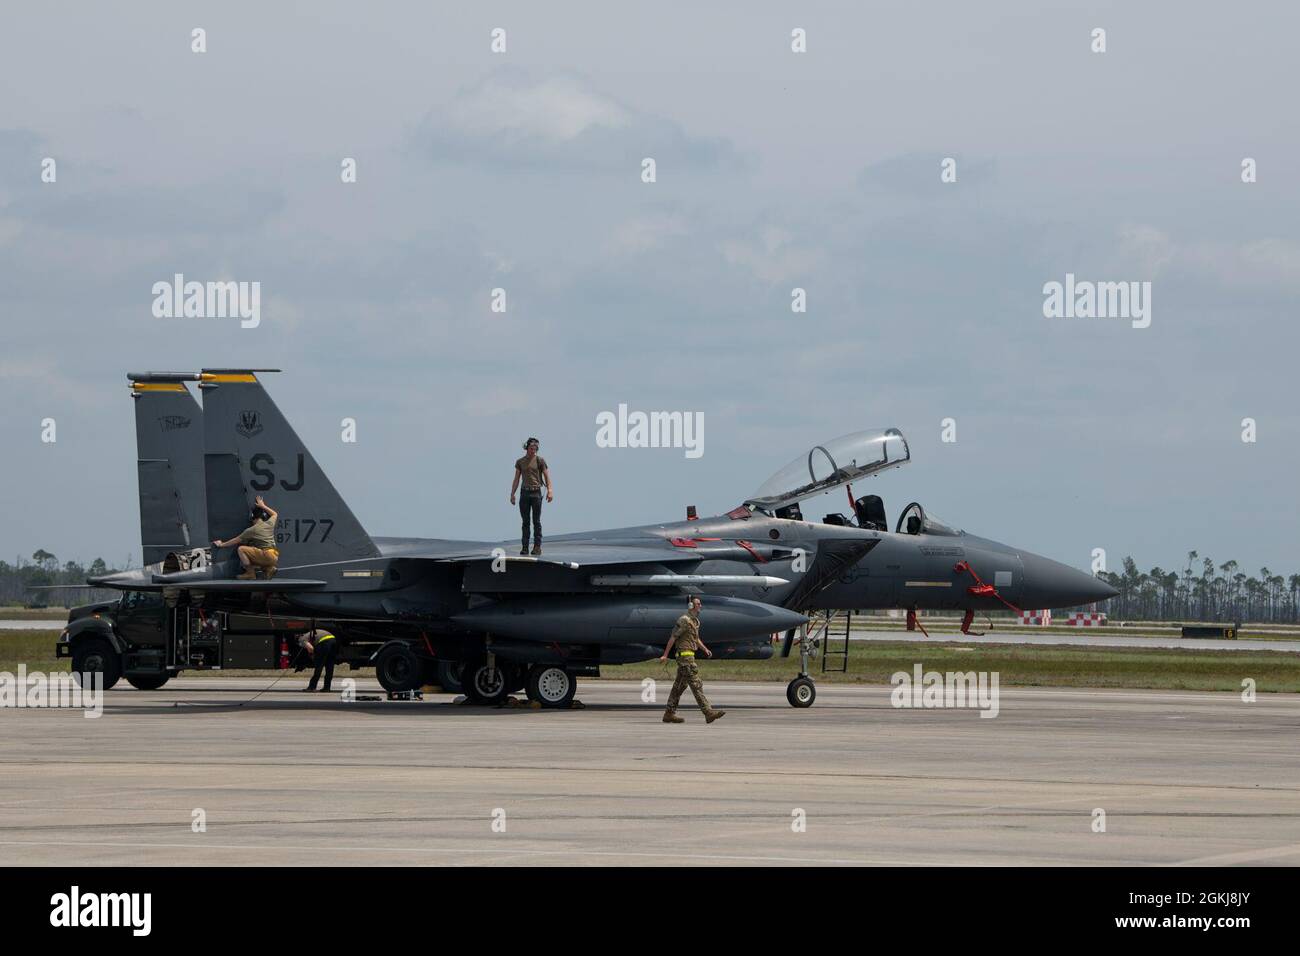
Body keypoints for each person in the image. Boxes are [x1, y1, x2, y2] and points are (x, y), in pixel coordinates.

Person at [658, 596, 725, 724]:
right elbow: (673, 637)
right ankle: (708, 712)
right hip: (684, 658)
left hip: (689, 655)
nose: (700, 606)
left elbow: (696, 638)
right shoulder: (684, 620)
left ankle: (669, 713)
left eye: (700, 604)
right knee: (696, 684)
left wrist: (705, 649)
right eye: (698, 604)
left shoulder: (695, 622)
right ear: (691, 606)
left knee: (679, 686)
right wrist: (665, 654)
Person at [212, 495, 279, 579]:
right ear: (263, 516)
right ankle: (269, 569)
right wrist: (263, 506)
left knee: (241, 549)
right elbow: (275, 514)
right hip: (274, 557)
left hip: (265, 555)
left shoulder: (252, 530)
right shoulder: (269, 524)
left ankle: (250, 573)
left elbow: (236, 540)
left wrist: (221, 544)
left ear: (252, 517)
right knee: (254, 554)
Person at [509, 437, 553, 555]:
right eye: (531, 448)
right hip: (525, 493)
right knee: (525, 522)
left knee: (536, 521)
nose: (533, 450)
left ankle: (537, 546)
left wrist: (550, 490)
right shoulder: (520, 462)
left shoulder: (540, 461)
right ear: (526, 448)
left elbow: (547, 476)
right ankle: (525, 547)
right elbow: (516, 479)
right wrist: (512, 494)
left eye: (535, 448)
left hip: (536, 493)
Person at [299, 628, 339, 692]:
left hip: (324, 642)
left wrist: (313, 655)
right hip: (333, 640)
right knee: (329, 666)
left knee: (319, 666)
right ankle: (327, 688)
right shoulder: (310, 634)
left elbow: (311, 648)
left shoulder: (302, 639)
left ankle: (312, 687)